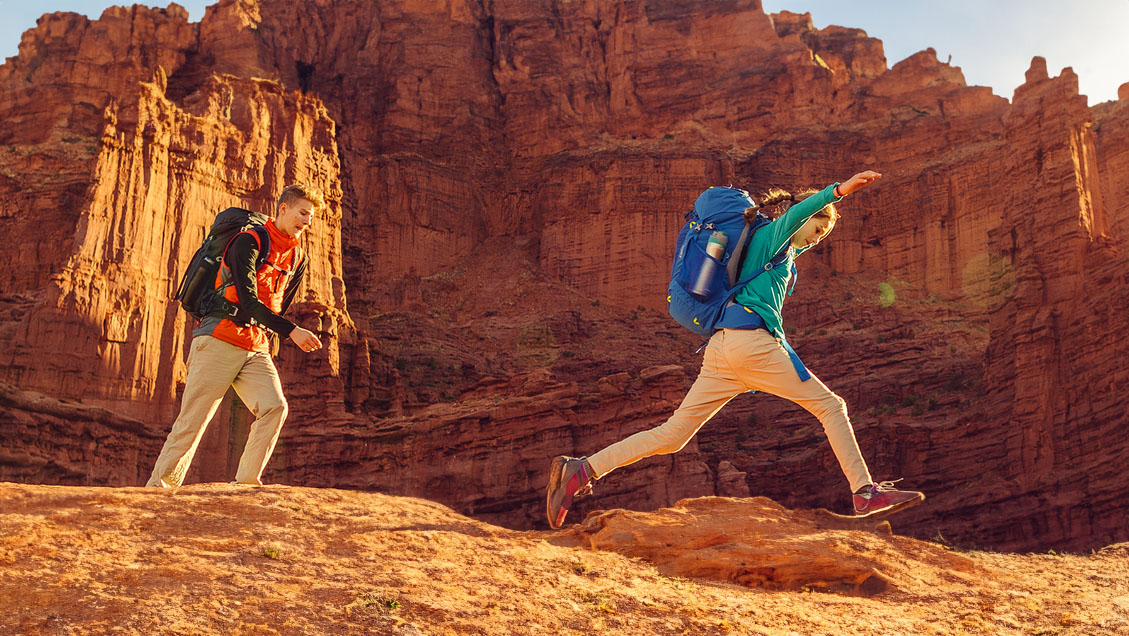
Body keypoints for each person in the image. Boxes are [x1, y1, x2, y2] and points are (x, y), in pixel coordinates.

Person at [546, 170, 925, 528]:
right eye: (819, 227)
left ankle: (582, 470)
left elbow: (797, 234)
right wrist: (838, 191)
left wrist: (819, 217)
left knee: (673, 435)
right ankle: (864, 493)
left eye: (826, 234)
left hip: (724, 351)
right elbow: (797, 214)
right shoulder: (772, 237)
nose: (819, 236)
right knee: (831, 406)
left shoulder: (776, 251)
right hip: (750, 346)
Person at [146, 184, 325, 487]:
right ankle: (159, 491)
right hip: (218, 337)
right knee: (193, 421)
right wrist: (291, 331)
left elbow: (279, 307)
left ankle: (246, 483)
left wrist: (279, 332)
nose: (307, 221)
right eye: (302, 213)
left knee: (275, 407)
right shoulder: (248, 242)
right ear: (284, 209)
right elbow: (248, 300)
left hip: (255, 346)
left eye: (311, 217)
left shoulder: (298, 258)